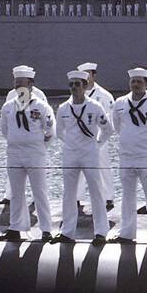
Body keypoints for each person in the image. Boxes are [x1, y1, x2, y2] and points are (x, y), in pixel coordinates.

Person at [110, 68, 147, 245]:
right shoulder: (120, 103)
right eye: (133, 82)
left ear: (146, 83)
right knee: (128, 196)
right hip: (127, 156)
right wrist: (128, 139)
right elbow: (116, 125)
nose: (135, 85)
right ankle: (127, 232)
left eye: (139, 82)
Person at [54, 70, 110, 243]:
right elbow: (59, 132)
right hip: (71, 154)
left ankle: (101, 231)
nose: (73, 88)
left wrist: (97, 144)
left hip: (89, 154)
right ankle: (67, 231)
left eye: (77, 84)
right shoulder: (64, 108)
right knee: (69, 194)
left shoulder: (95, 107)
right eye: (71, 85)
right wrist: (71, 144)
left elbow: (108, 129)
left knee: (96, 192)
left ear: (85, 86)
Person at [0, 72, 56, 241]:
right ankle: (15, 227)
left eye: (21, 83)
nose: (18, 87)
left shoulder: (42, 107)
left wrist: (37, 146)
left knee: (40, 192)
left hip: (35, 155)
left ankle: (46, 229)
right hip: (14, 154)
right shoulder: (8, 107)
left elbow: (50, 132)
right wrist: (18, 142)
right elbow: (5, 130)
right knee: (16, 193)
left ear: (31, 84)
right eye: (16, 83)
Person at [79, 62, 117, 215]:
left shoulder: (105, 96)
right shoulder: (77, 93)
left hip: (98, 138)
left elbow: (111, 121)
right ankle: (77, 197)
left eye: (88, 74)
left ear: (94, 75)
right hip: (80, 139)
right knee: (78, 168)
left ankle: (108, 197)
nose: (85, 77)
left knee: (103, 167)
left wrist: (100, 141)